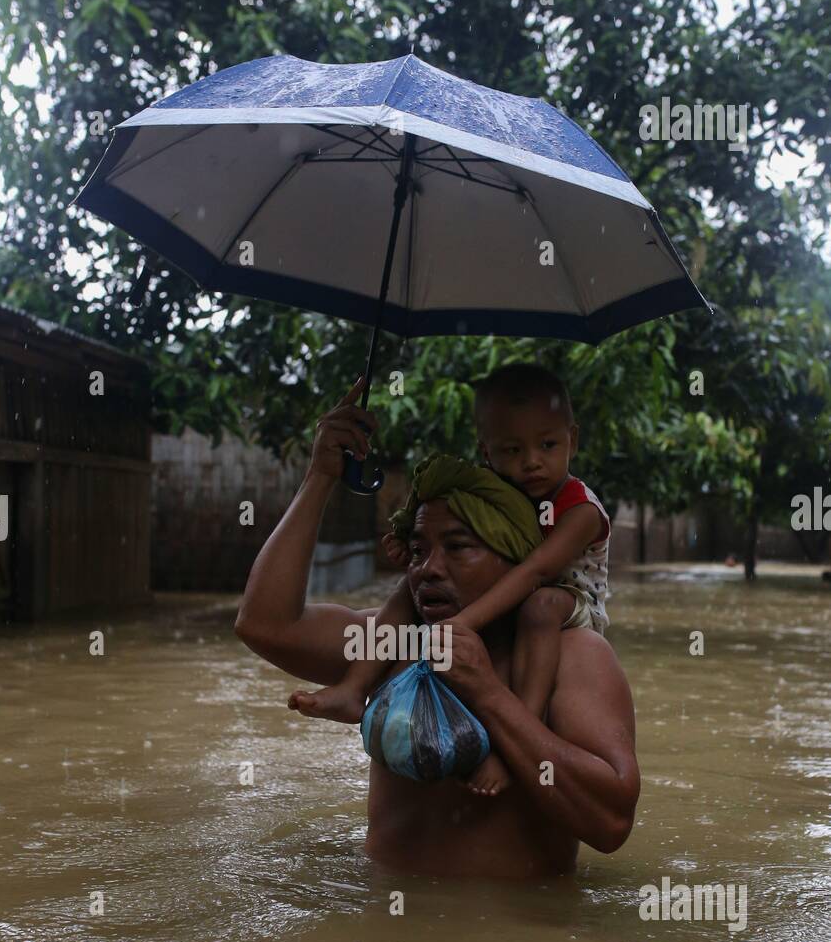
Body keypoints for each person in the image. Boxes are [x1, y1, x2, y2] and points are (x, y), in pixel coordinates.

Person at [234, 379, 640, 880]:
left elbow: (612, 821)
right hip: (383, 935)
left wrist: (490, 695)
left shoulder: (575, 656)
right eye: (420, 549)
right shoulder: (395, 644)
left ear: (514, 558)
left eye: (458, 547)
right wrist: (320, 475)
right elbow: (263, 623)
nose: (429, 568)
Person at [287, 364, 609, 798]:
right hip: (518, 594)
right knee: (407, 586)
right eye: (512, 450)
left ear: (573, 440)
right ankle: (354, 687)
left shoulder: (581, 510)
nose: (531, 461)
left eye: (548, 445)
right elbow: (263, 624)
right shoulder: (494, 492)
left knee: (541, 606)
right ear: (487, 453)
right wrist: (405, 543)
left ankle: (519, 735)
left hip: (570, 602)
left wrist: (462, 625)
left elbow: (535, 570)